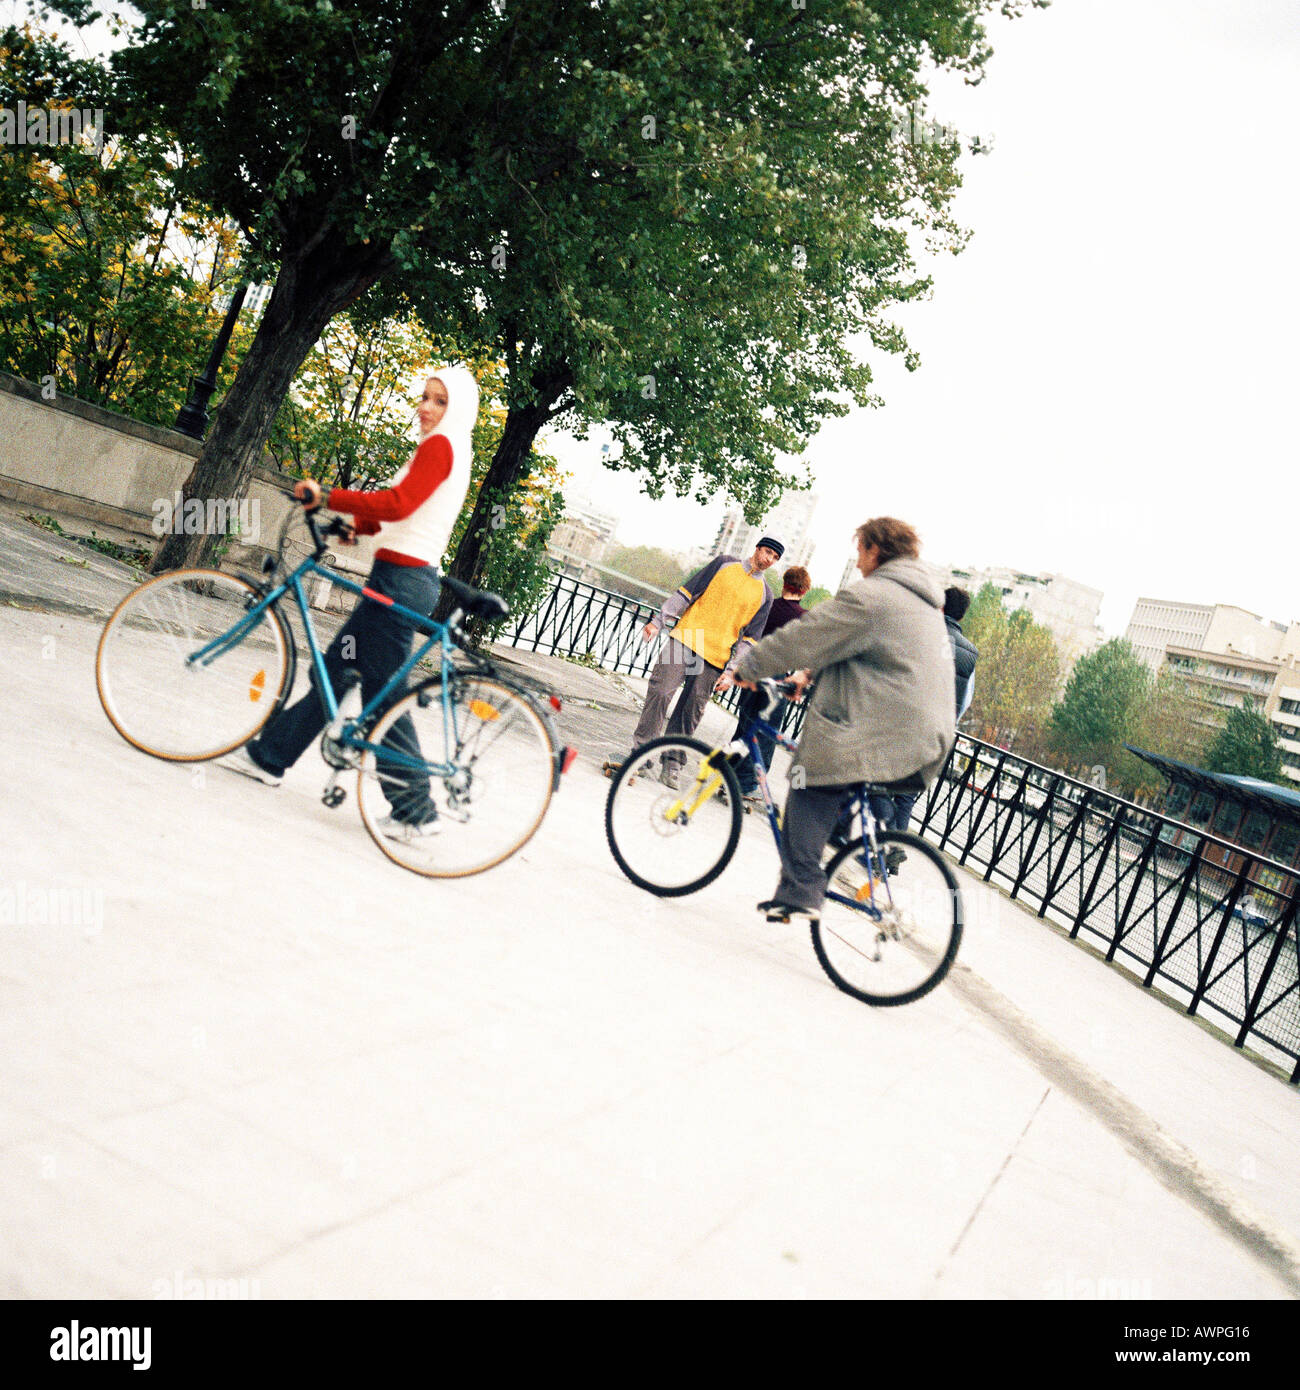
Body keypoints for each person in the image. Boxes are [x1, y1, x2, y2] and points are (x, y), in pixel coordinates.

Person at [221, 366, 481, 841]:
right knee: (338, 670)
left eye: (439, 401)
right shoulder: (442, 448)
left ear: (457, 409)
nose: (426, 407)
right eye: (424, 396)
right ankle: (270, 757)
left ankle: (416, 809)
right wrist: (347, 529)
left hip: (402, 584)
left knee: (380, 698)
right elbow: (398, 516)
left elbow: (398, 503)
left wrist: (328, 497)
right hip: (398, 577)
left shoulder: (443, 446)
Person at [729, 517, 955, 924]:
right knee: (836, 792)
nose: (859, 561)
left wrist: (750, 667)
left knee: (806, 785)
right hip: (929, 739)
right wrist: (808, 675)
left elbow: (807, 634)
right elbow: (866, 653)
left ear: (875, 550)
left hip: (886, 731)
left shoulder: (876, 595)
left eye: (861, 552)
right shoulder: (924, 604)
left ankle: (800, 892)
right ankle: (858, 837)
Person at [605, 537, 783, 785]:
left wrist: (732, 671)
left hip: (717, 653)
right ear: (757, 548)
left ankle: (673, 763)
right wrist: (659, 621)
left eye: (775, 558)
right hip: (689, 635)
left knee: (690, 711)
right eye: (767, 552)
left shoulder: (766, 595)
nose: (768, 560)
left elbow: (750, 640)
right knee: (660, 691)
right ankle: (641, 756)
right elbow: (686, 592)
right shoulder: (724, 563)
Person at [726, 565, 811, 801]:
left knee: (745, 724)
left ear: (784, 584)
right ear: (804, 590)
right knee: (765, 734)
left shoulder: (768, 606)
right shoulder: (803, 617)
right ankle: (744, 786)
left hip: (753, 672)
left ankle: (729, 774)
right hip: (778, 678)